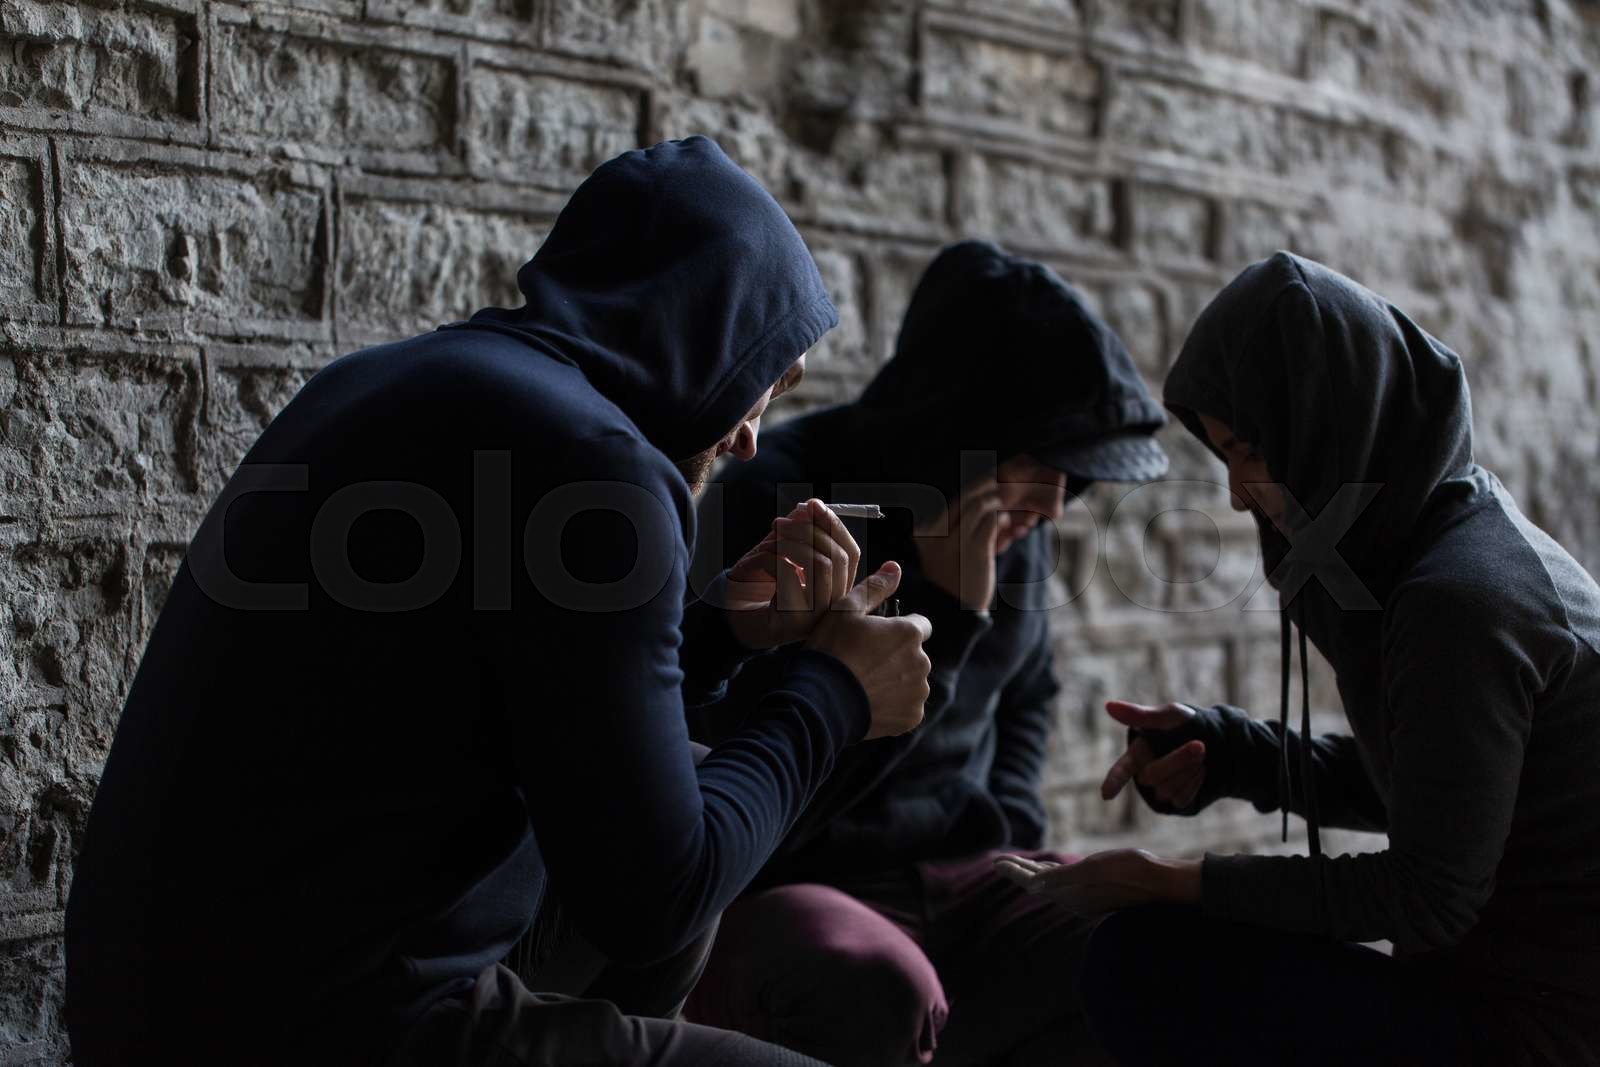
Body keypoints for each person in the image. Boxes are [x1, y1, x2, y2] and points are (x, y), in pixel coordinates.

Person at [63, 136, 936, 1067]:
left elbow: (551, 734)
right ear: (703, 324)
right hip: (330, 1028)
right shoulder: (595, 467)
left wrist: (718, 632)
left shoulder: (404, 380)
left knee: (682, 778)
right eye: (766, 378)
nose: (752, 436)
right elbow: (654, 895)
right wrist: (835, 691)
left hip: (157, 1008)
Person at [997, 251, 1600, 1066]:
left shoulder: (1460, 598)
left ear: (1331, 422)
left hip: (1540, 1033)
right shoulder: (1444, 530)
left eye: (1250, 449)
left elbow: (1430, 895)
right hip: (1494, 992)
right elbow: (1440, 789)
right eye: (1225, 456)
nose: (1239, 492)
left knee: (1143, 959)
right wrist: (1232, 754)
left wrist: (1169, 879)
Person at [683, 241, 1169, 1066]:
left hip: (965, 869)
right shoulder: (787, 503)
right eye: (1039, 464)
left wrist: (1014, 841)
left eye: (1076, 478)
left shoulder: (1009, 528)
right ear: (960, 427)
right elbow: (739, 760)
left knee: (1143, 940)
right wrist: (944, 614)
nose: (1055, 504)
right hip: (803, 878)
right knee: (878, 982)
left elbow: (1030, 696)